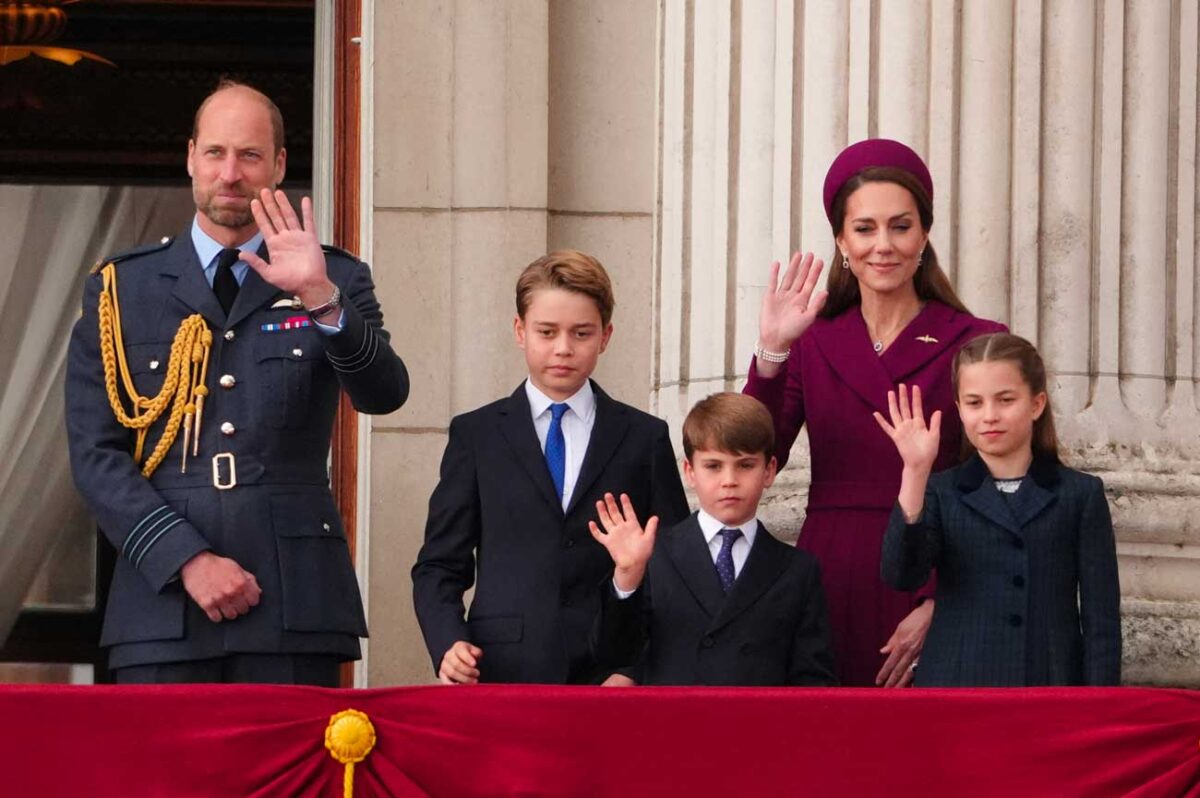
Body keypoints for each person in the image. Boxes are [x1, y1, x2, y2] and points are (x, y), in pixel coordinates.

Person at [65, 80, 409, 685]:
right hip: (163, 606)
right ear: (191, 156)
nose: (230, 173)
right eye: (216, 153)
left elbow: (384, 393)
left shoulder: (335, 277)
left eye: (250, 156)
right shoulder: (123, 289)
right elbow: (96, 456)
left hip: (295, 602)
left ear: (278, 165)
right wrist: (188, 560)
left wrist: (319, 296)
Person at [743, 139, 1006, 686]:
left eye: (900, 226)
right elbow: (752, 454)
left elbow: (996, 487)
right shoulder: (811, 343)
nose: (882, 245)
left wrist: (941, 599)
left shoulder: (977, 342)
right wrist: (771, 351)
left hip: (936, 570)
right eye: (864, 228)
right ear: (841, 239)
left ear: (924, 234)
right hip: (830, 573)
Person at [411, 250, 690, 685]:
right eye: (547, 331)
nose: (563, 348)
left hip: (609, 677)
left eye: (581, 333)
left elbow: (674, 569)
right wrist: (448, 643)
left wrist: (633, 668)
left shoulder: (644, 437)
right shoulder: (477, 435)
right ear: (520, 331)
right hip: (501, 671)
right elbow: (439, 566)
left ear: (606, 336)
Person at [877, 333, 1121, 686]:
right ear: (959, 410)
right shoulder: (941, 491)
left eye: (1005, 400)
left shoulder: (1079, 494)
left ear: (1036, 404)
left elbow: (1102, 623)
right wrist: (914, 473)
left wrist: (1100, 711)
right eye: (974, 403)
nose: (990, 416)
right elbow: (901, 575)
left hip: (1048, 685)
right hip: (958, 686)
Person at [588, 392, 837, 686]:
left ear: (769, 471)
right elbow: (614, 654)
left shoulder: (798, 569)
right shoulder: (653, 555)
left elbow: (812, 679)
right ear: (690, 472)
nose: (729, 480)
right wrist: (627, 578)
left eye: (745, 465)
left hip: (759, 728)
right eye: (713, 466)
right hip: (672, 725)